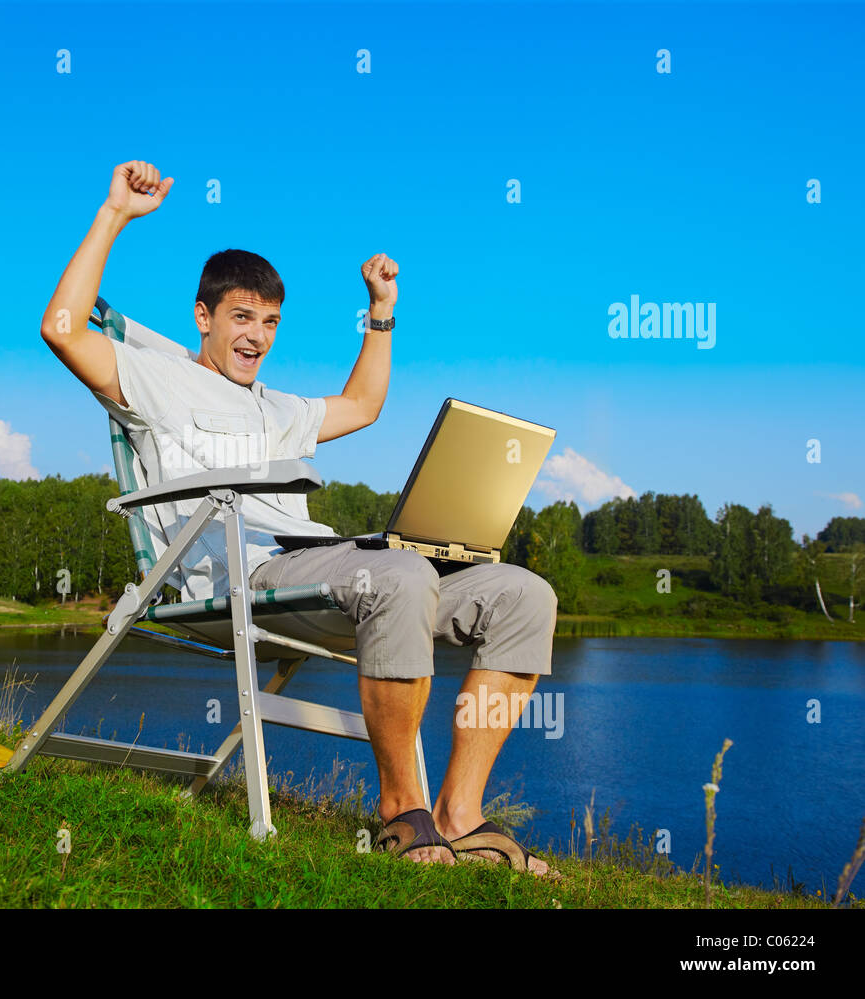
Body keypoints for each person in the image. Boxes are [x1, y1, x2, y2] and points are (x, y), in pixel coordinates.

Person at [40, 160, 558, 876]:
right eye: (243, 318)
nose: (258, 336)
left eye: (272, 321)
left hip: (323, 567)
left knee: (522, 595)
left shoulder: (280, 406)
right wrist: (115, 214)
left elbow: (365, 404)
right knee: (400, 575)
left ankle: (457, 816)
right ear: (205, 317)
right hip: (238, 577)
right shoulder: (158, 377)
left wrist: (381, 310)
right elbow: (62, 329)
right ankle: (402, 817)